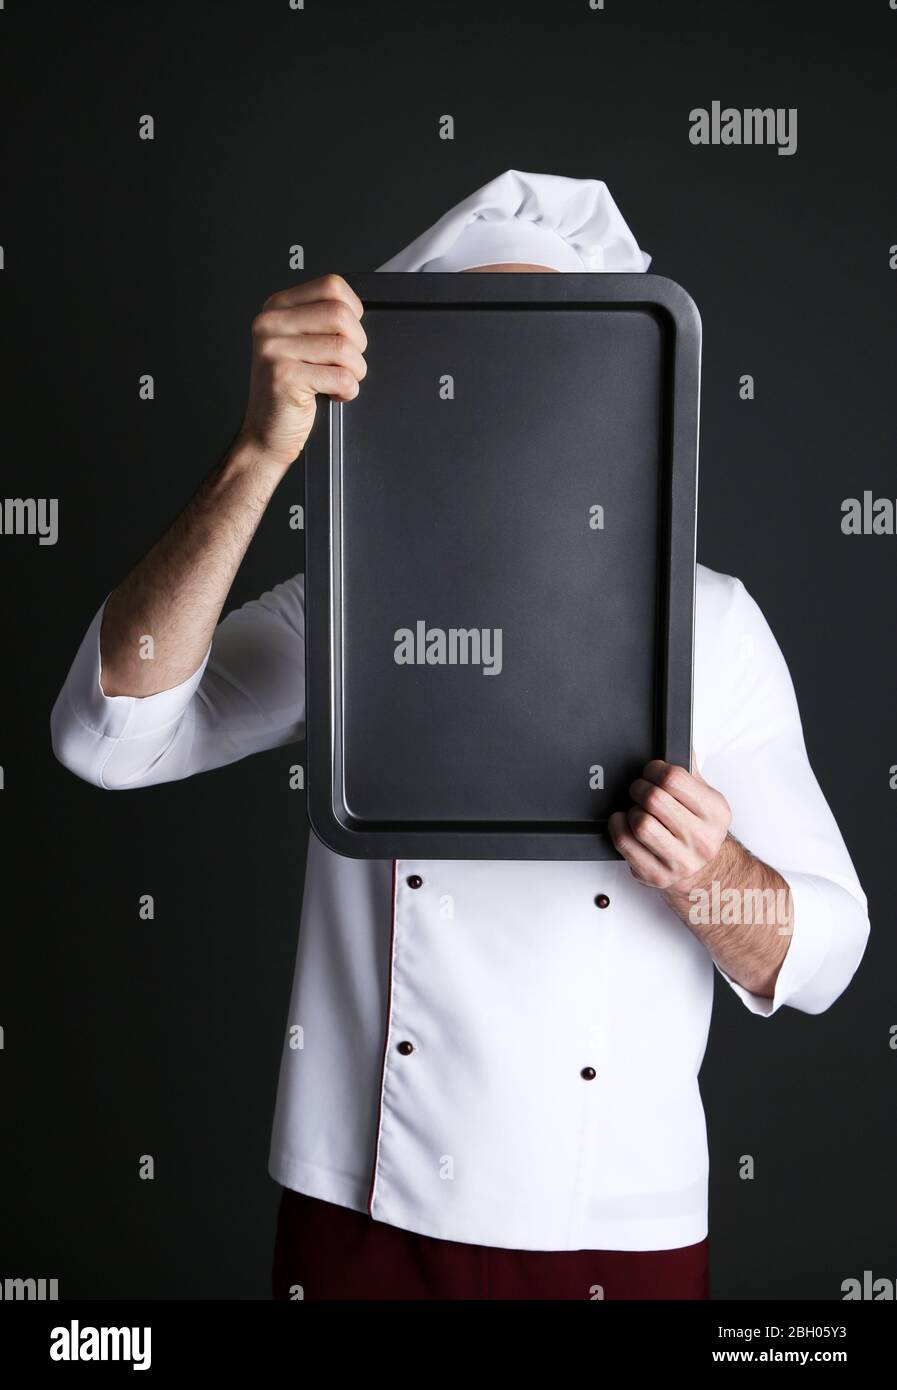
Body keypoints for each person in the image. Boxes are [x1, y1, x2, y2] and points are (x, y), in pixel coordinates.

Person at [50, 170, 869, 1301]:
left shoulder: (709, 620)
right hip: (362, 1213)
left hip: (615, 1230)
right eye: (473, 371)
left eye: (548, 366)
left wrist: (708, 875)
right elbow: (110, 735)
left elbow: (825, 955)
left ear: (609, 394)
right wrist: (258, 456)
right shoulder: (353, 599)